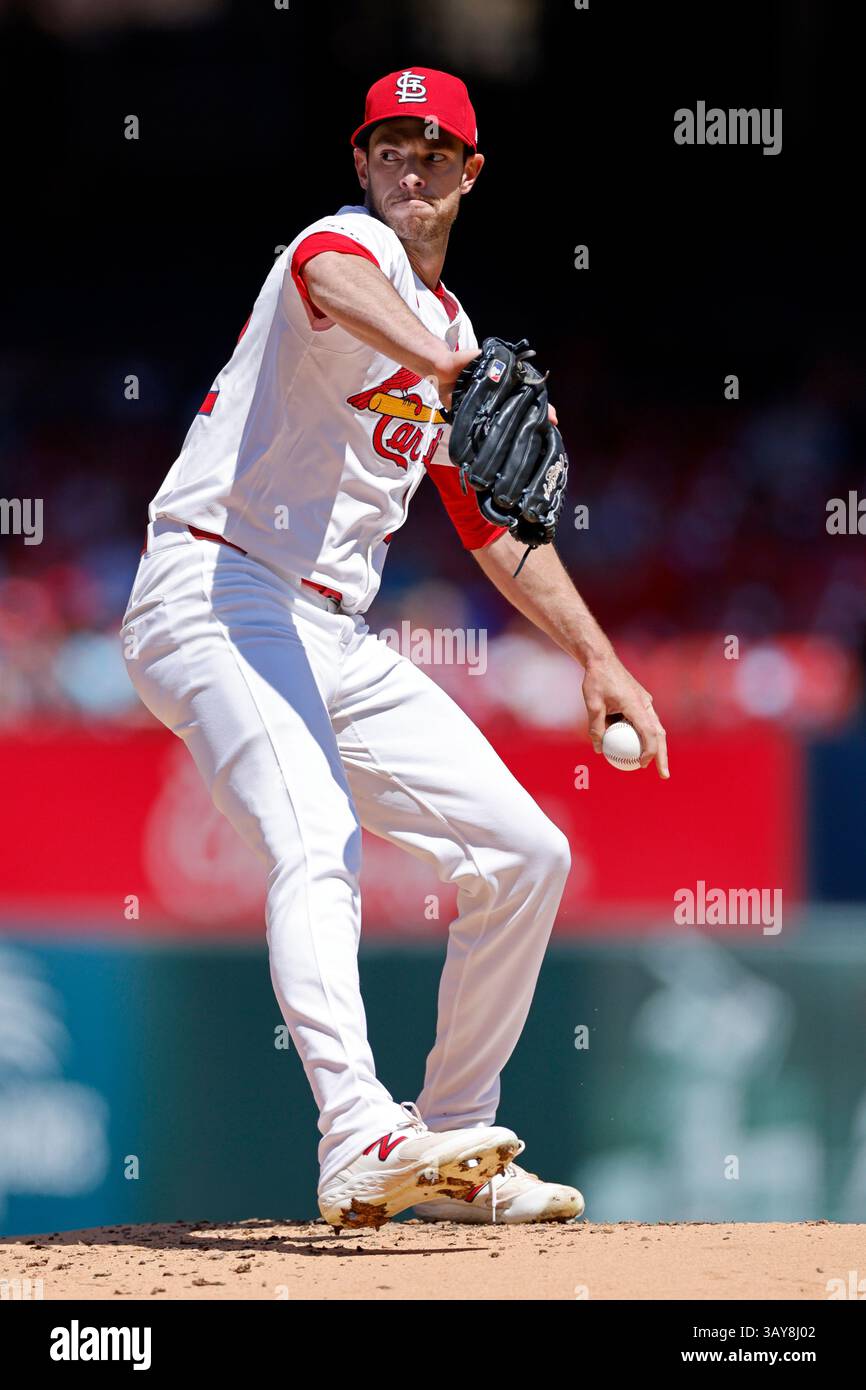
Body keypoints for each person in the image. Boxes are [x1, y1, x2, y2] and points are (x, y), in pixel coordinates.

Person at [119, 66, 668, 1230]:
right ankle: (355, 1132)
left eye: (431, 152)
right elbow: (327, 280)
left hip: (328, 628)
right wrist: (450, 370)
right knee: (314, 834)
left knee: (524, 853)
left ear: (470, 174)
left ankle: (454, 1141)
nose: (407, 168)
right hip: (216, 587)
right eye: (388, 148)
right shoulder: (335, 252)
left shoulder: (452, 330)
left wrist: (595, 655)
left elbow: (484, 519)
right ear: (361, 163)